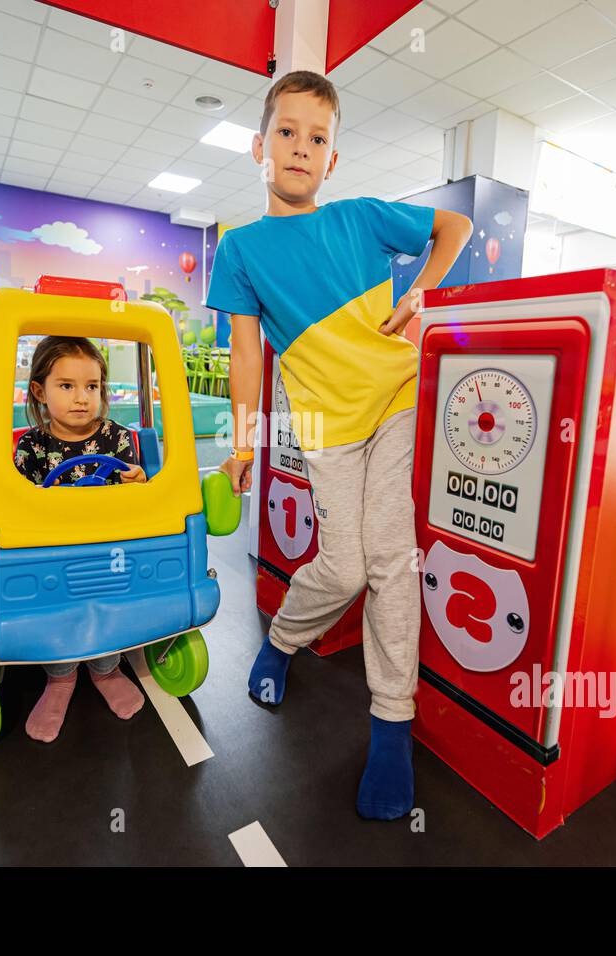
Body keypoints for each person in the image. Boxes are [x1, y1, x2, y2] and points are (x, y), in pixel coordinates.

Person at [204, 70, 473, 819]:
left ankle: (393, 723)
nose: (300, 147)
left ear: (333, 160)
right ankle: (283, 641)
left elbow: (455, 228)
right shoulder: (241, 249)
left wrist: (424, 288)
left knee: (390, 557)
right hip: (321, 421)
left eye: (317, 139)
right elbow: (249, 355)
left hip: (394, 400)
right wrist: (246, 441)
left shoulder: (359, 218)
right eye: (286, 133)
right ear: (260, 147)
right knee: (344, 565)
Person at [13, 335, 148, 742]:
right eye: (66, 386)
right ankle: (60, 678)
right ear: (40, 390)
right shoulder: (32, 446)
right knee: (57, 610)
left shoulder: (117, 439)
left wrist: (139, 481)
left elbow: (139, 494)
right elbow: (16, 499)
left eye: (91, 386)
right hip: (51, 552)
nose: (81, 398)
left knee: (109, 606)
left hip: (108, 549)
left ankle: (107, 670)